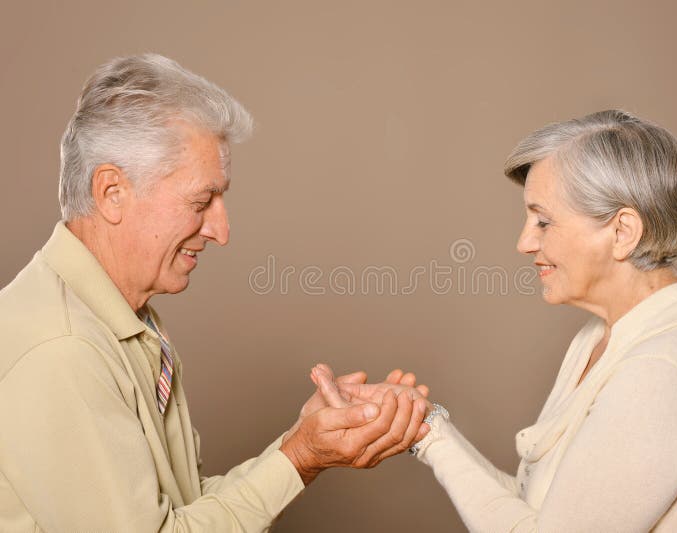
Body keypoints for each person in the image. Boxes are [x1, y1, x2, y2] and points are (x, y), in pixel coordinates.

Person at [0, 54, 430, 532]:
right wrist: (301, 454)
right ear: (112, 192)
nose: (221, 230)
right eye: (202, 201)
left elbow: (184, 514)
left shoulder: (127, 322)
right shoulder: (63, 351)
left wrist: (304, 444)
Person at [316, 110, 677, 532]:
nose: (524, 242)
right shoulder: (608, 338)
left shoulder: (666, 371)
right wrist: (426, 424)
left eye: (543, 221)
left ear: (623, 232)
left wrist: (431, 435)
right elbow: (543, 514)